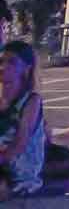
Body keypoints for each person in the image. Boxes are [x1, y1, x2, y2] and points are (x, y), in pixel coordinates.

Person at [0, 41, 46, 198]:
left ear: (26, 69)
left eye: (11, 62)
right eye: (1, 61)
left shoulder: (31, 101)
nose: (3, 67)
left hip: (19, 167)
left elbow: (19, 144)